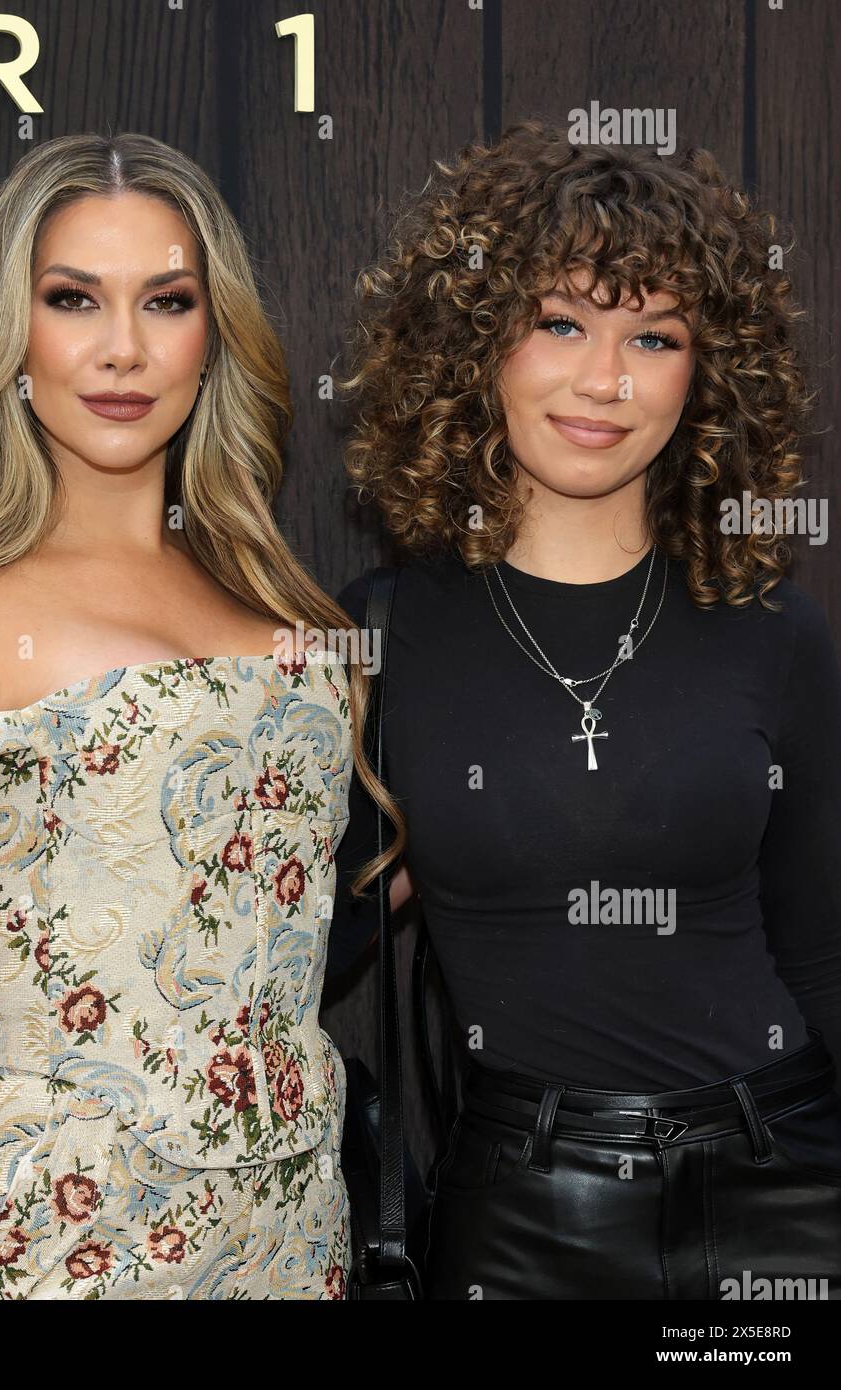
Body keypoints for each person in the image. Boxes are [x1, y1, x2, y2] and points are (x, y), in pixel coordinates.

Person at [0, 132, 397, 1300]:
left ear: (212, 333)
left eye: (166, 302)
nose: (123, 350)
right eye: (73, 299)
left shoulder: (279, 605)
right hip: (54, 1247)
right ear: (10, 331)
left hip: (291, 1239)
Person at [326, 120, 841, 1300]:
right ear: (478, 344)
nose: (603, 380)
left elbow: (819, 944)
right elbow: (291, 938)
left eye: (651, 337)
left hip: (781, 1183)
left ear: (705, 373)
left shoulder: (770, 624)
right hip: (519, 1211)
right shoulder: (381, 633)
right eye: (561, 321)